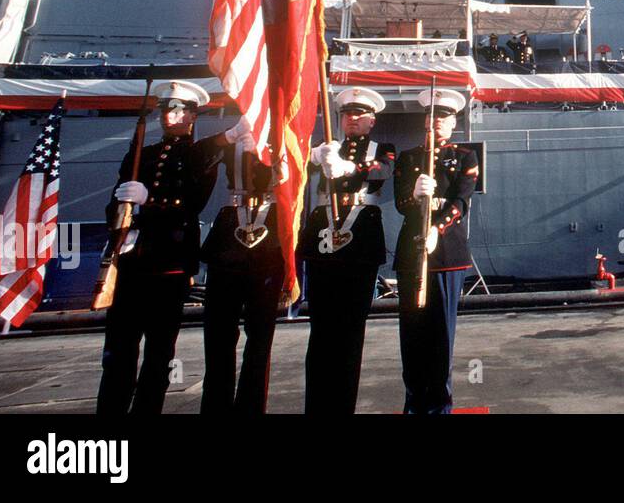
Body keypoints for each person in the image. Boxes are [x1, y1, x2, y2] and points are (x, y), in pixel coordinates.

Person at [97, 80, 224, 415]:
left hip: (169, 264)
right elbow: (113, 205)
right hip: (131, 264)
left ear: (192, 116)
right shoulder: (141, 155)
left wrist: (149, 200)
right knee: (118, 352)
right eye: (166, 109)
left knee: (159, 353)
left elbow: (193, 204)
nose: (170, 115)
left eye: (179, 109)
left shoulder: (200, 156)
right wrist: (123, 206)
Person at [296, 87, 396, 415]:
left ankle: (342, 407)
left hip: (360, 243)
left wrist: (350, 169)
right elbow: (296, 174)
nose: (351, 119)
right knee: (321, 329)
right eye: (346, 114)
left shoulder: (384, 149)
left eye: (359, 114)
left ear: (371, 120)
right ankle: (316, 406)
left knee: (351, 331)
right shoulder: (327, 147)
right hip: (324, 240)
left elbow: (383, 171)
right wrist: (311, 158)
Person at [394, 88, 479, 414]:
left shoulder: (465, 157)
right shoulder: (409, 158)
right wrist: (415, 195)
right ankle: (414, 402)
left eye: (443, 117)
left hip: (445, 254)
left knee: (441, 337)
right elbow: (402, 205)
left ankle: (439, 406)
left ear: (452, 121)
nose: (436, 122)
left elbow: (460, 202)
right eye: (431, 116)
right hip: (412, 254)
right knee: (411, 333)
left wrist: (436, 228)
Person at [199, 124, 282, 414]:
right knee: (218, 332)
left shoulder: (286, 139)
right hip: (229, 234)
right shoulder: (232, 137)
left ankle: (251, 406)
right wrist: (227, 137)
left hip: (270, 235)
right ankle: (215, 406)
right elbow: (196, 158)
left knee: (260, 337)